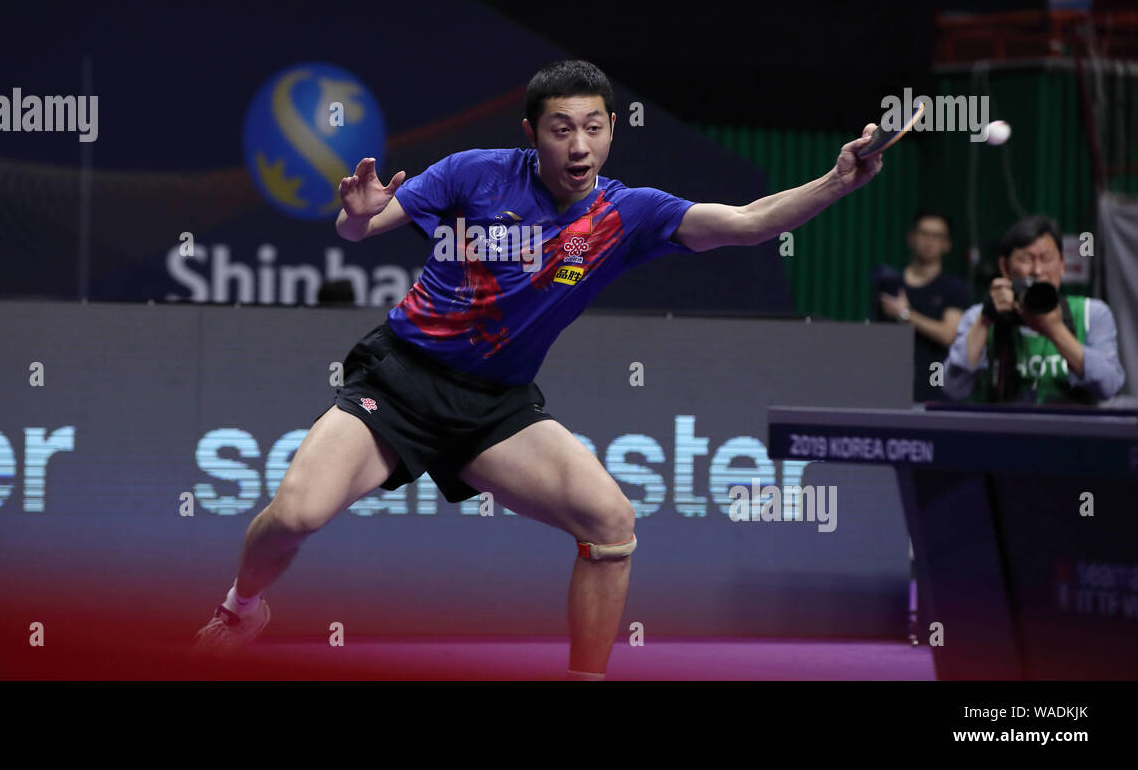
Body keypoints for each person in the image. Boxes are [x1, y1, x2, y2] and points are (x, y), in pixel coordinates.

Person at [195, 60, 885, 678]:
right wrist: (355, 219)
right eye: (560, 129)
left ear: (613, 128)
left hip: (495, 408)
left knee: (611, 521)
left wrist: (836, 181)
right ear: (533, 132)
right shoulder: (473, 173)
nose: (578, 145)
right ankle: (240, 609)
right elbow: (363, 226)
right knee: (294, 514)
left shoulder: (628, 214)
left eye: (592, 127)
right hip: (400, 380)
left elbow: (749, 222)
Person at [943, 214, 1125, 404]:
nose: (1037, 271)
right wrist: (984, 322)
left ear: (1062, 265)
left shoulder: (1091, 313)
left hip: (1076, 431)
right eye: (1026, 259)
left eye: (1046, 258)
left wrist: (1054, 330)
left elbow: (1108, 387)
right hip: (1005, 430)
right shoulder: (979, 316)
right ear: (1005, 267)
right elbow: (953, 389)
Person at [874, 211, 971, 403]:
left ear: (947, 244)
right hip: (892, 387)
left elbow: (949, 335)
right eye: (924, 234)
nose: (929, 241)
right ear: (911, 237)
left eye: (936, 236)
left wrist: (906, 314)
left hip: (936, 387)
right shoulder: (889, 285)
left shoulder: (955, 288)